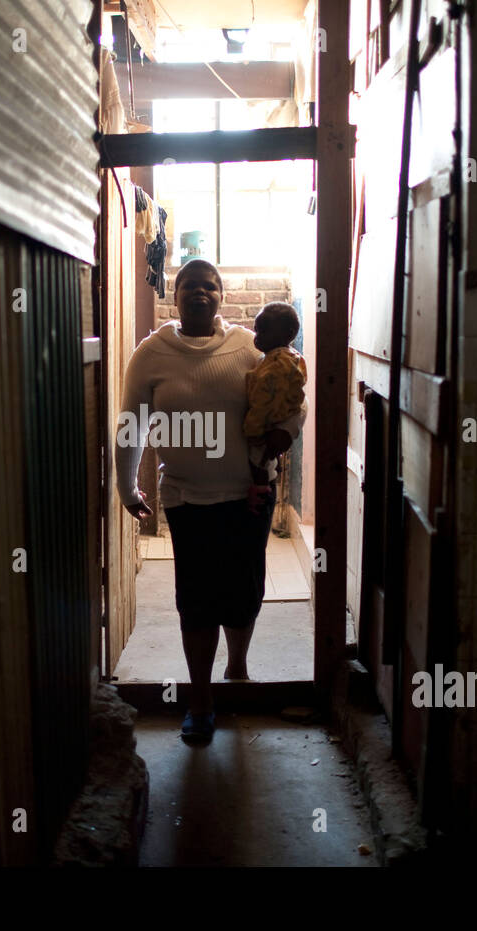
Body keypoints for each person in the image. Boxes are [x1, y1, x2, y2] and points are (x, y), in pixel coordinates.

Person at [115, 259, 306, 743]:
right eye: (189, 286)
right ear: (174, 296)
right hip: (186, 499)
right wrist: (126, 487)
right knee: (196, 601)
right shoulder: (152, 354)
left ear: (221, 295)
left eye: (210, 286)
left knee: (243, 592)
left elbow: (292, 399)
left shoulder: (247, 347)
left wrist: (287, 431)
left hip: (248, 496)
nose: (200, 292)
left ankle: (237, 666)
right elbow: (130, 425)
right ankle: (200, 699)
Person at [243, 301, 307, 513]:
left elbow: (266, 401)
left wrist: (253, 428)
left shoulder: (280, 364)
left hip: (267, 423)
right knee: (265, 457)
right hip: (271, 420)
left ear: (288, 334)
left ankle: (260, 491)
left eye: (264, 331)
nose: (257, 337)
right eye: (256, 330)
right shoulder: (276, 358)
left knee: (257, 459)